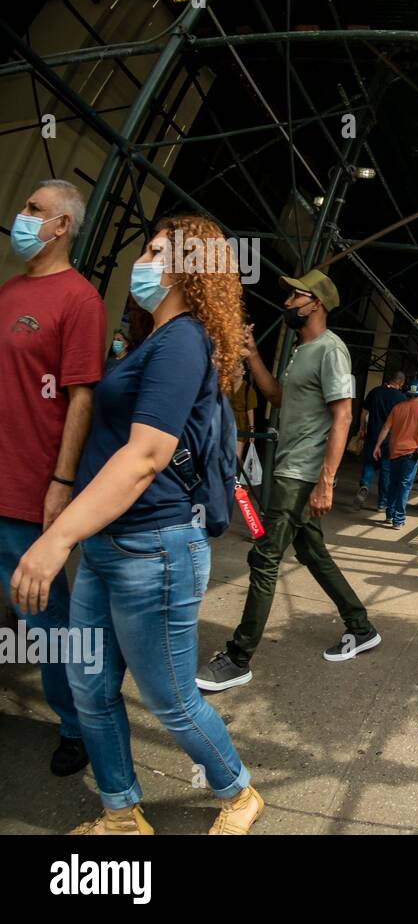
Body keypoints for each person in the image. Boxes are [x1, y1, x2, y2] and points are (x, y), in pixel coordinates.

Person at [10, 214, 264, 834]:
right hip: (109, 547)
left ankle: (239, 793)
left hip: (154, 551)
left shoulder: (182, 341)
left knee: (170, 698)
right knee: (91, 689)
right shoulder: (158, 337)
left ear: (188, 267)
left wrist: (55, 539)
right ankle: (121, 813)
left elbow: (147, 456)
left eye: (157, 251)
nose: (142, 261)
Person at [197, 268, 379, 693]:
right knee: (313, 553)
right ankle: (361, 626)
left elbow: (344, 416)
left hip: (302, 472)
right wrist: (251, 356)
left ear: (315, 303)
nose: (286, 304)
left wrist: (327, 481)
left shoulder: (332, 350)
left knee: (264, 560)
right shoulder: (303, 349)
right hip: (289, 467)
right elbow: (279, 397)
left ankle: (239, 657)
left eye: (294, 297)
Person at [0, 179, 103, 777]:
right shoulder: (9, 291)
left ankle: (77, 726)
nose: (23, 216)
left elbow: (81, 398)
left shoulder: (79, 301)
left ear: (61, 225)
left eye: (34, 209)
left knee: (47, 623)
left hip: (28, 491)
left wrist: (60, 484)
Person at [373, 380, 418, 529]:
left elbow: (385, 429)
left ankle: (389, 514)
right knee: (404, 485)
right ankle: (398, 520)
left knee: (393, 483)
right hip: (411, 453)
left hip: (394, 452)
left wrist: (377, 446)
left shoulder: (397, 408)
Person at [353, 370, 405, 510]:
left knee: (369, 464)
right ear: (401, 383)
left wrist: (362, 428)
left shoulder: (375, 391)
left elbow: (364, 412)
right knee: (386, 470)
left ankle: (365, 485)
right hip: (389, 439)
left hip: (372, 434)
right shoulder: (401, 398)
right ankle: (382, 503)